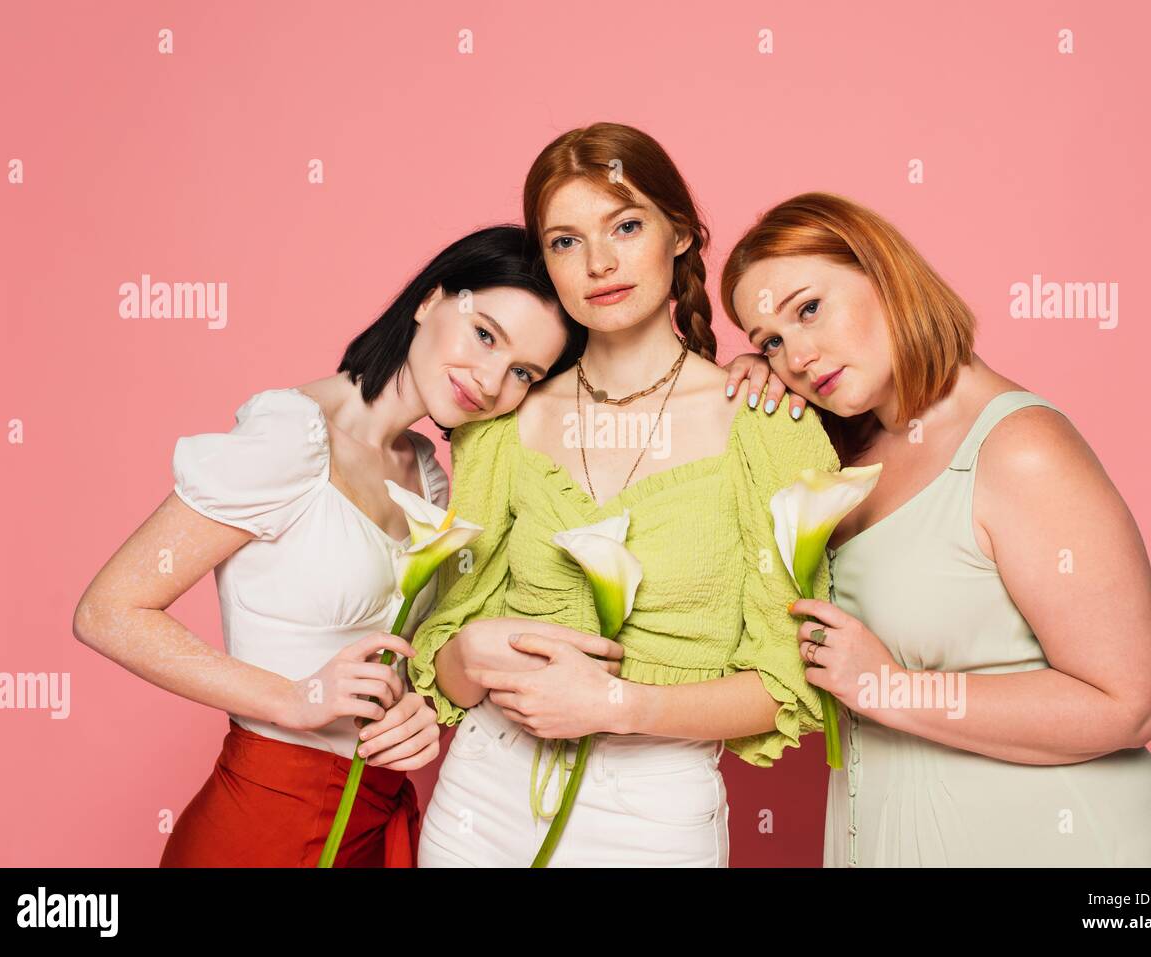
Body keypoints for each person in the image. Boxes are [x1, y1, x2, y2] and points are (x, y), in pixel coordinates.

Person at [72, 225, 583, 866]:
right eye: (484, 334)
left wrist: (421, 708)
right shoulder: (291, 439)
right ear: (429, 300)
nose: (489, 379)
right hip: (264, 824)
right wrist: (293, 698)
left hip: (370, 819)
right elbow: (108, 611)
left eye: (521, 372)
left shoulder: (424, 474)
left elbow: (402, 653)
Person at [409, 123, 838, 867]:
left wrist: (622, 704)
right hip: (480, 793)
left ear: (679, 233)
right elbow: (442, 656)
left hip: (652, 814)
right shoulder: (505, 421)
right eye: (565, 242)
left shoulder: (768, 425)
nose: (600, 263)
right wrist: (469, 653)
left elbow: (790, 680)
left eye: (626, 225)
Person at [722, 191, 1151, 866]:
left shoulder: (1019, 448)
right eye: (770, 340)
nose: (796, 353)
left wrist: (892, 687)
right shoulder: (845, 455)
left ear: (883, 272)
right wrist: (748, 401)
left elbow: (1131, 704)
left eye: (809, 308)